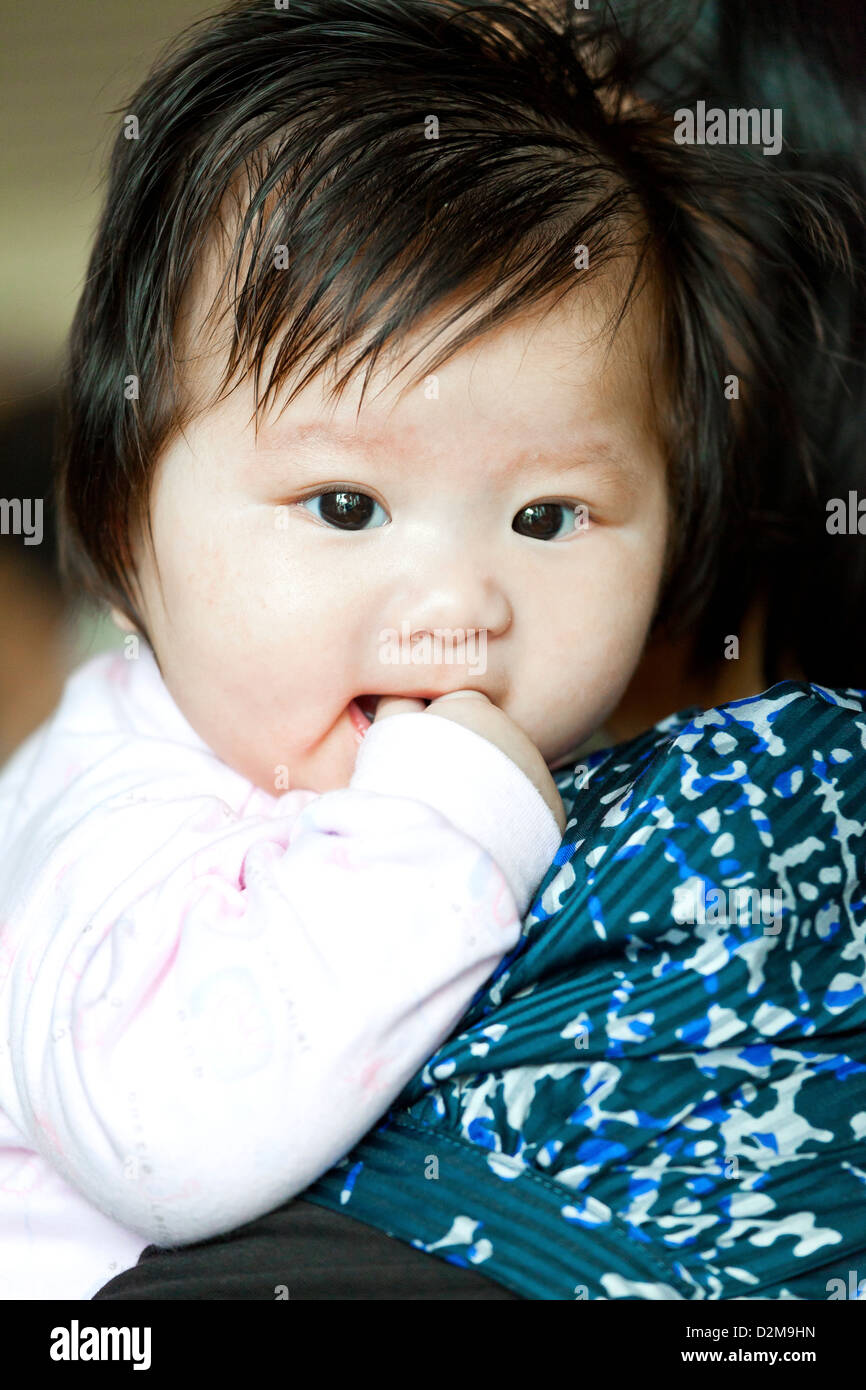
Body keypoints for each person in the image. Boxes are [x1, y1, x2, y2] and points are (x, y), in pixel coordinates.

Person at [1, 0, 863, 1301]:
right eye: (344, 507)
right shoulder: (119, 816)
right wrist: (451, 818)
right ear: (124, 535)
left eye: (545, 517)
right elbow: (161, 1141)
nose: (462, 600)